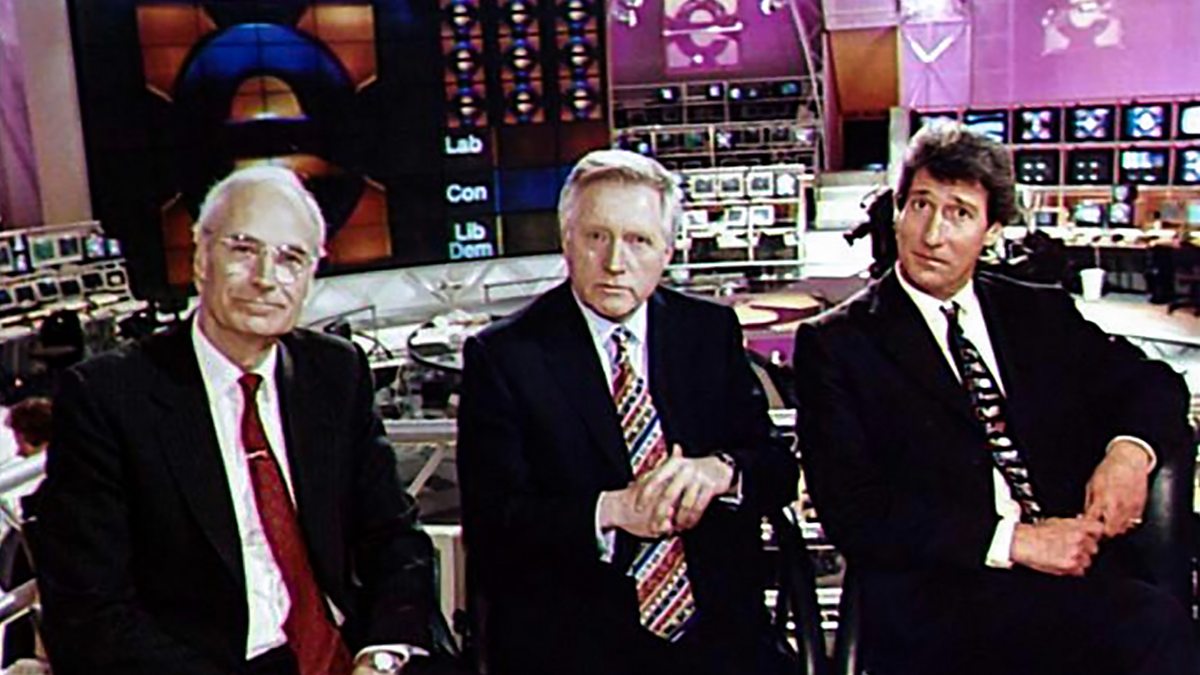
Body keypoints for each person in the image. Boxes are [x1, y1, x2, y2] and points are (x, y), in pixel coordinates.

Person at [792, 122, 1197, 675]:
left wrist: (1129, 452)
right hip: (942, 595)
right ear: (897, 212)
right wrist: (1015, 542)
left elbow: (1153, 381)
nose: (932, 234)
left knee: (1157, 623)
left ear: (992, 231)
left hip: (1072, 572)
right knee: (1145, 626)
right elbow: (852, 509)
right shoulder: (837, 344)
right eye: (920, 205)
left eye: (959, 213)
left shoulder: (1037, 312)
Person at [34, 166, 440, 675]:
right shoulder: (109, 397)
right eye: (244, 249)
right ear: (201, 259)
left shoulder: (334, 372)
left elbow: (394, 536)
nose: (266, 278)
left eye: (291, 258)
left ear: (310, 278)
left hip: (346, 650)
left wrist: (383, 652)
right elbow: (90, 613)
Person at [457, 149, 799, 675]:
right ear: (566, 240)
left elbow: (776, 469)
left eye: (639, 240)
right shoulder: (504, 356)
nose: (615, 262)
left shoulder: (708, 332)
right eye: (597, 236)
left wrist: (721, 473)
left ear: (667, 251)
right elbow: (493, 525)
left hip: (722, 638)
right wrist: (612, 511)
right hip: (575, 647)